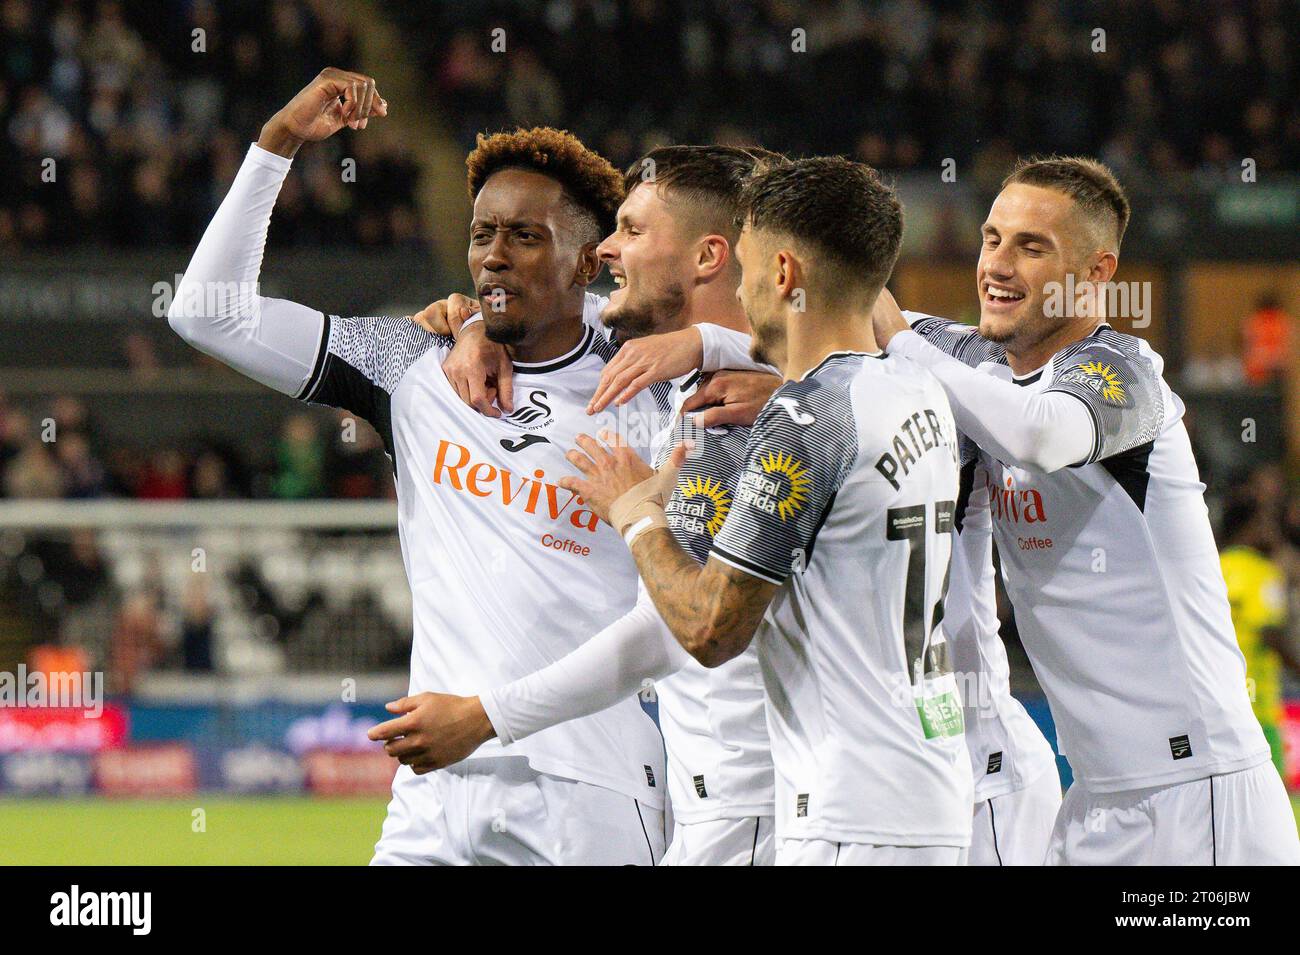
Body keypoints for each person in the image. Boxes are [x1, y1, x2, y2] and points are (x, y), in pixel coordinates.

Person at [168, 68, 670, 864]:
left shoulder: (653, 384)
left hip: (590, 789)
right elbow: (208, 314)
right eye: (482, 235)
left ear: (586, 264)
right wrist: (280, 140)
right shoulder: (415, 364)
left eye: (526, 237)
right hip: (432, 789)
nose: (494, 257)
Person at [873, 155, 1300, 865]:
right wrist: (703, 341)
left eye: (1031, 247)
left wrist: (903, 344)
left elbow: (1041, 434)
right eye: (991, 238)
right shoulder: (974, 364)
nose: (997, 265)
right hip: (1095, 796)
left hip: (1197, 797)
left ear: (1096, 274)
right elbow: (835, 307)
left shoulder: (1126, 373)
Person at [564, 157, 974, 865]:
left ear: (782, 274)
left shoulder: (805, 417)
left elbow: (709, 628)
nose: (741, 290)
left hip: (847, 809)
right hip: (931, 792)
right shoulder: (919, 387)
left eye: (747, 267)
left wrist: (635, 512)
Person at [393, 145, 786, 864]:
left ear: (707, 255)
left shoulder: (741, 419)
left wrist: (635, 515)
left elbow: (677, 631)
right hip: (731, 804)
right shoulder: (731, 396)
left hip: (763, 806)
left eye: (632, 230)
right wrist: (476, 319)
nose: (606, 247)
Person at [1219, 492, 1300, 777]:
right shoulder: (1263, 573)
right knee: (1275, 799)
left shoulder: (1213, 567)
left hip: (1217, 702)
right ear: (1250, 525)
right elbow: (1271, 635)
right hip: (1259, 707)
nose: (1271, 531)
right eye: (1265, 522)